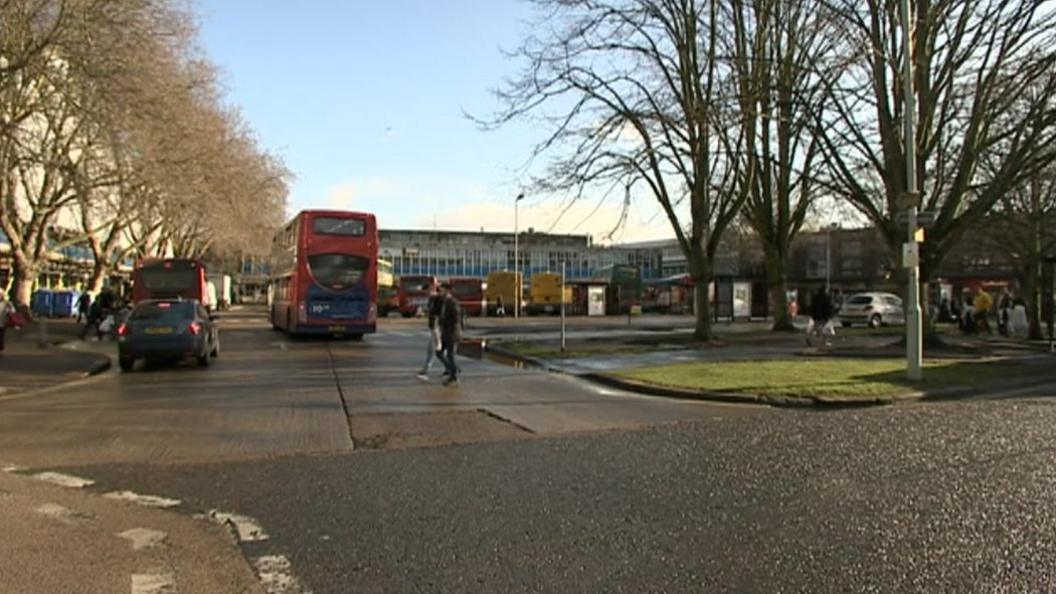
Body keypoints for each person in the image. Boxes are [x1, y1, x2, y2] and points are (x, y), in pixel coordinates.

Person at [437, 283, 464, 386]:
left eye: (442, 290)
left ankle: (454, 376)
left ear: (447, 291)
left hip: (452, 333)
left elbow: (456, 318)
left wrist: (449, 326)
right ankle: (454, 369)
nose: (440, 292)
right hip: (446, 333)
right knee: (439, 352)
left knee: (450, 355)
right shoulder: (444, 302)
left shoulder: (453, 303)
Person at [416, 286, 444, 381]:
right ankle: (451, 368)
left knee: (433, 350)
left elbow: (439, 313)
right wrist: (423, 312)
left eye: (428, 291)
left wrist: (436, 326)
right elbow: (431, 311)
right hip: (433, 327)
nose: (426, 293)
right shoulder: (431, 299)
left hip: (437, 327)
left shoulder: (439, 299)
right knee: (436, 351)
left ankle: (426, 370)